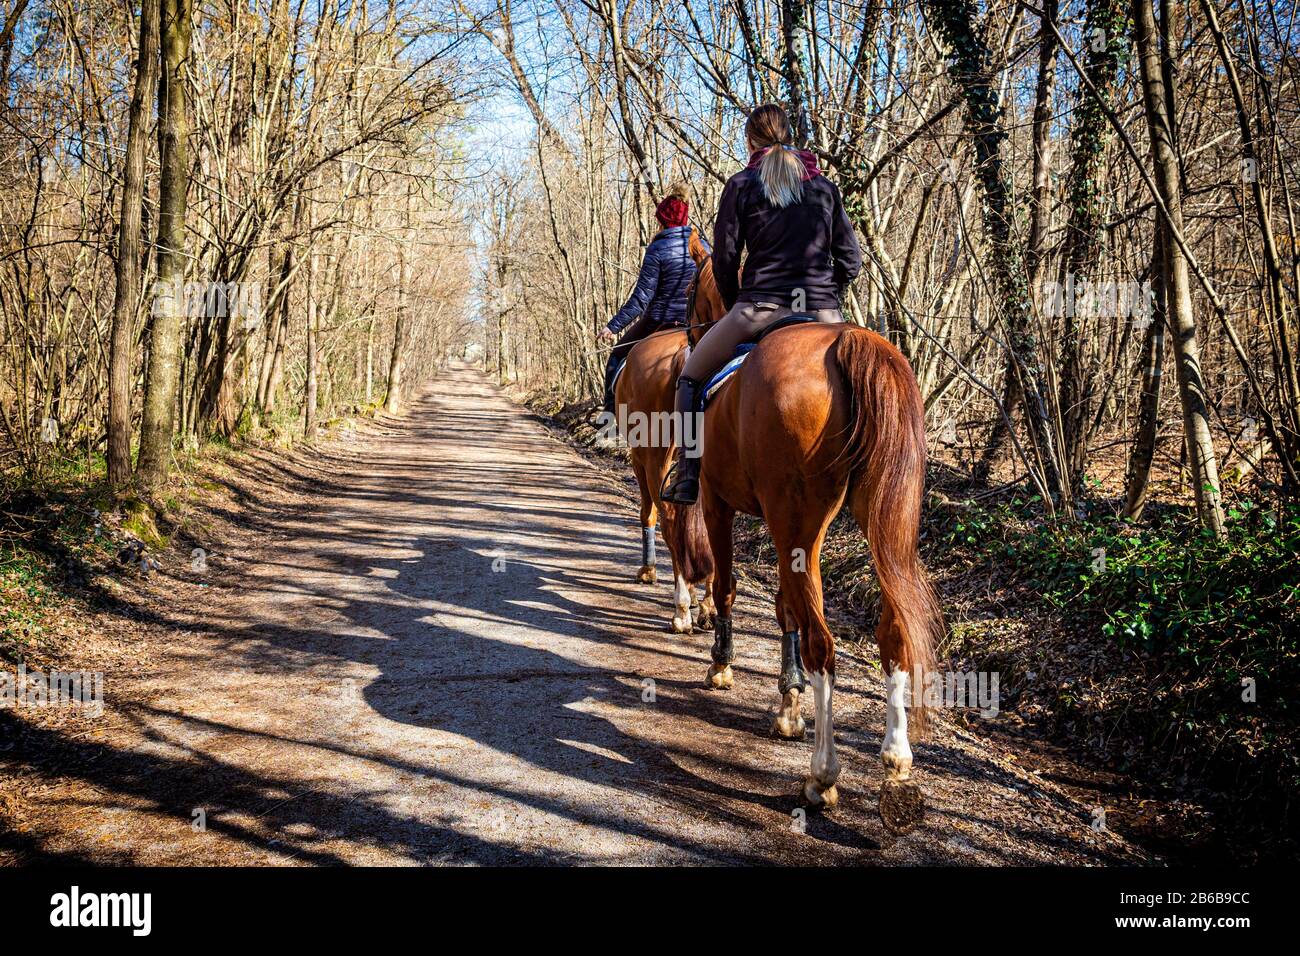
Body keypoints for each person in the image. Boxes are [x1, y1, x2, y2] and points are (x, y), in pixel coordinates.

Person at [659, 104, 863, 505]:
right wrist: (827, 292)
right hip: (823, 311)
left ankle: (687, 475)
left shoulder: (741, 185)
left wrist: (738, 306)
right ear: (789, 136)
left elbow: (726, 260)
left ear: (750, 141)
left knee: (690, 377)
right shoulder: (823, 187)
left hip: (760, 307)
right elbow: (851, 261)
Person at [598, 185, 708, 416]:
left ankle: (608, 418)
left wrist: (613, 326)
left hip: (659, 320)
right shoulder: (704, 246)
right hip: (696, 324)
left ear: (662, 221)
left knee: (616, 356)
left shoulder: (657, 248)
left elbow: (641, 298)